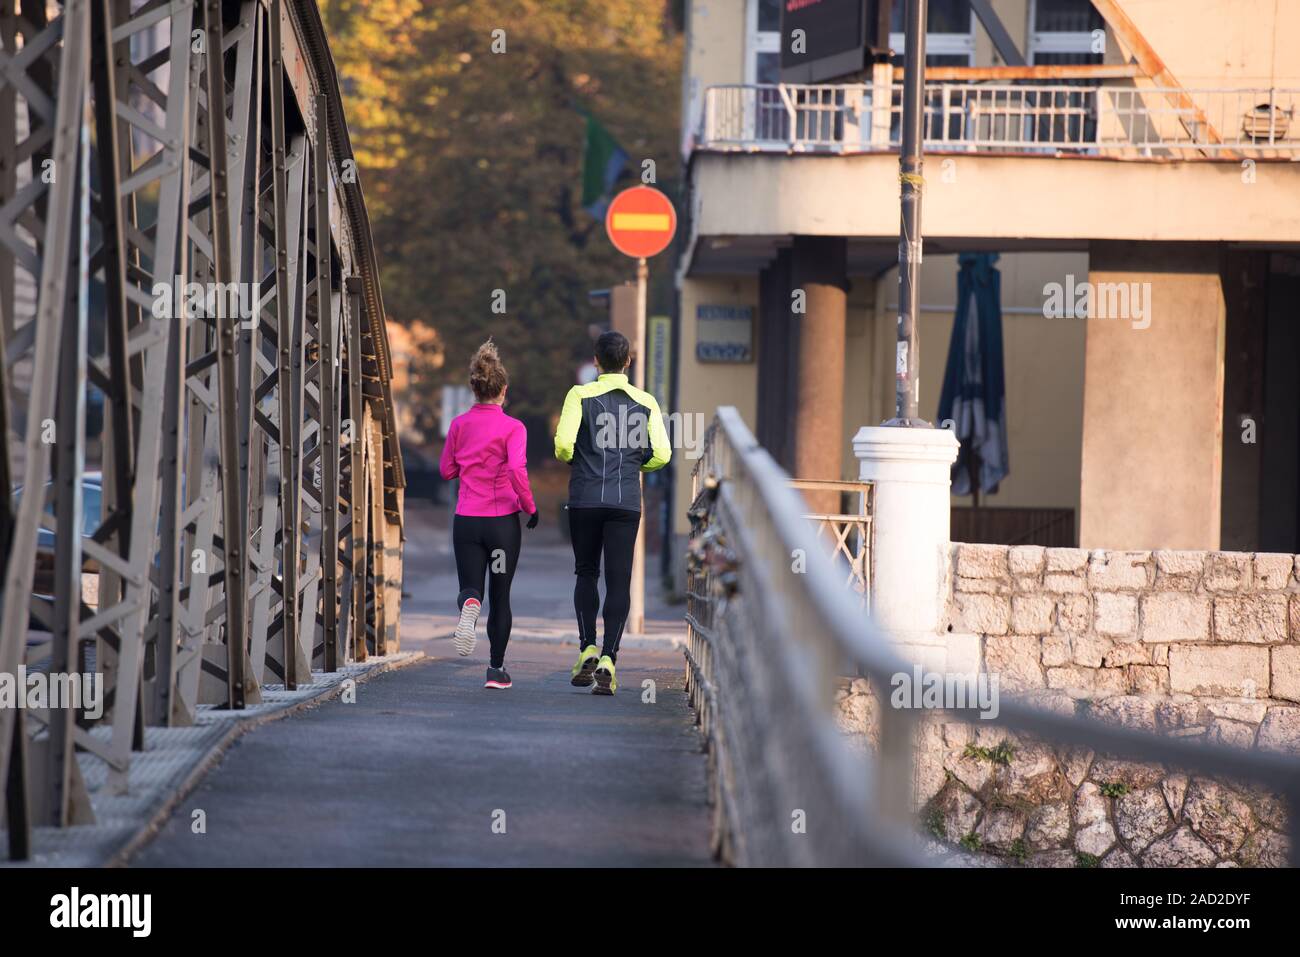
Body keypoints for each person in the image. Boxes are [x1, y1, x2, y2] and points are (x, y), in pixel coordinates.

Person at [554, 331, 671, 695]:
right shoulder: (646, 401)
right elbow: (663, 455)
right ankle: (609, 657)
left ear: (596, 361)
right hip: (624, 501)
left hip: (586, 498)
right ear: (628, 362)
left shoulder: (579, 395)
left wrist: (579, 462)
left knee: (586, 572)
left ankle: (587, 645)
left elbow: (562, 445)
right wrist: (636, 466)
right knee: (619, 580)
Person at [439, 340, 539, 690]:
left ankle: (469, 604)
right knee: (501, 595)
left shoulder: (459, 425)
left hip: (467, 520)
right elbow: (516, 469)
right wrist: (530, 506)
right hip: (501, 525)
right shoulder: (514, 428)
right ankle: (496, 670)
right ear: (504, 390)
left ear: (474, 388)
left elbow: (446, 470)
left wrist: (469, 464)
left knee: (471, 586)